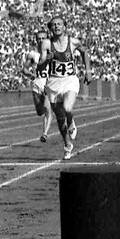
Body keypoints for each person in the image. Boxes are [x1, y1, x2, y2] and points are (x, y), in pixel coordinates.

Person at [38, 16, 90, 160]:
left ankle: (71, 121)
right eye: (53, 25)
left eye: (59, 24)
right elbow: (40, 65)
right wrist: (46, 59)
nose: (56, 27)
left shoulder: (73, 42)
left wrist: (89, 71)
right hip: (54, 82)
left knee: (67, 108)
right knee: (60, 119)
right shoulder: (46, 44)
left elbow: (85, 52)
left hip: (70, 80)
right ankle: (67, 145)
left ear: (65, 27)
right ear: (50, 28)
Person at [23, 27, 52, 142]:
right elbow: (24, 69)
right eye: (39, 39)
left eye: (43, 38)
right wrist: (31, 75)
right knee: (40, 111)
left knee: (47, 108)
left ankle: (45, 133)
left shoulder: (52, 54)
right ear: (36, 40)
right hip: (36, 85)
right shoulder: (32, 54)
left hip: (48, 85)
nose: (41, 41)